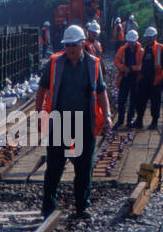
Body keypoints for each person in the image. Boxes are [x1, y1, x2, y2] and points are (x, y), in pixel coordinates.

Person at [36, 23, 111, 219]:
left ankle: (81, 207)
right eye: (67, 45)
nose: (69, 49)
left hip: (85, 124)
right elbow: (42, 89)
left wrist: (108, 115)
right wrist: (39, 115)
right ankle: (48, 207)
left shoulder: (93, 64)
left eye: (73, 45)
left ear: (82, 44)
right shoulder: (54, 63)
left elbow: (101, 91)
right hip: (60, 122)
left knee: (84, 167)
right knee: (54, 166)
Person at [132, 26, 163, 130]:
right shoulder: (145, 49)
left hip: (156, 80)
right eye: (147, 37)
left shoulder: (160, 48)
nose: (148, 39)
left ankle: (154, 123)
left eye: (150, 37)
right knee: (141, 101)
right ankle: (139, 120)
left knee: (155, 102)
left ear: (155, 37)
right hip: (145, 79)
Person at [113, 29, 141, 127]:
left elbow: (142, 66)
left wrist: (131, 68)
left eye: (132, 42)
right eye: (129, 42)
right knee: (122, 100)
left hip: (135, 78)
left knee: (133, 100)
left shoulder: (141, 51)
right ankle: (120, 120)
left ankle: (130, 120)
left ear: (136, 41)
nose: (131, 44)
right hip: (124, 77)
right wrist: (123, 68)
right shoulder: (122, 49)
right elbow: (116, 61)